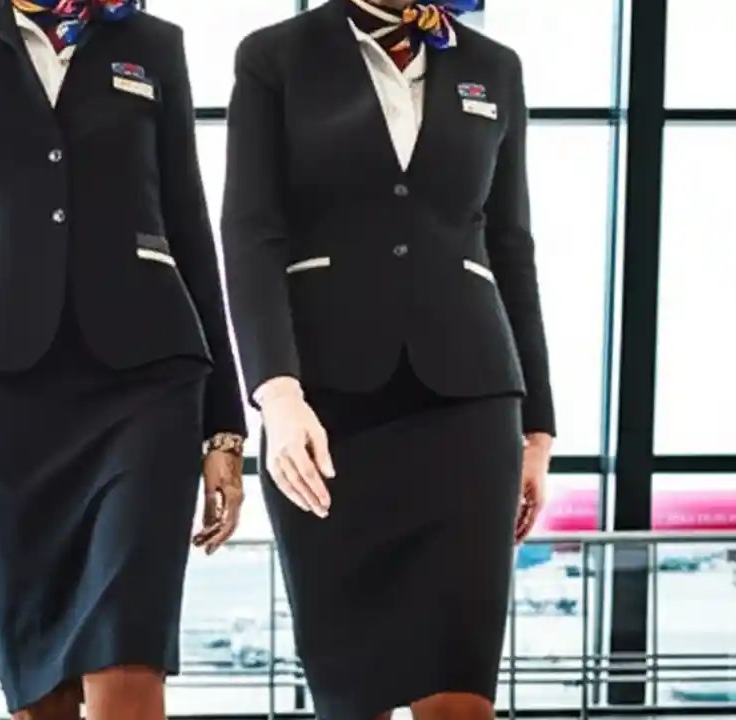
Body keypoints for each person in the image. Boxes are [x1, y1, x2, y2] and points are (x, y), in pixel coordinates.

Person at [0, 0, 248, 717]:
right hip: (5, 386)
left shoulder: (152, 42)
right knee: (37, 675)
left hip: (148, 378)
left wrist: (224, 429)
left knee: (125, 645)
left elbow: (190, 227)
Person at [221, 1, 556, 719]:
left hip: (468, 402)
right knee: (351, 692)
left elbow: (511, 250)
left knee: (460, 692)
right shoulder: (274, 56)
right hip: (325, 409)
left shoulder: (493, 66)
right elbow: (251, 235)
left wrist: (540, 432)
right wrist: (276, 397)